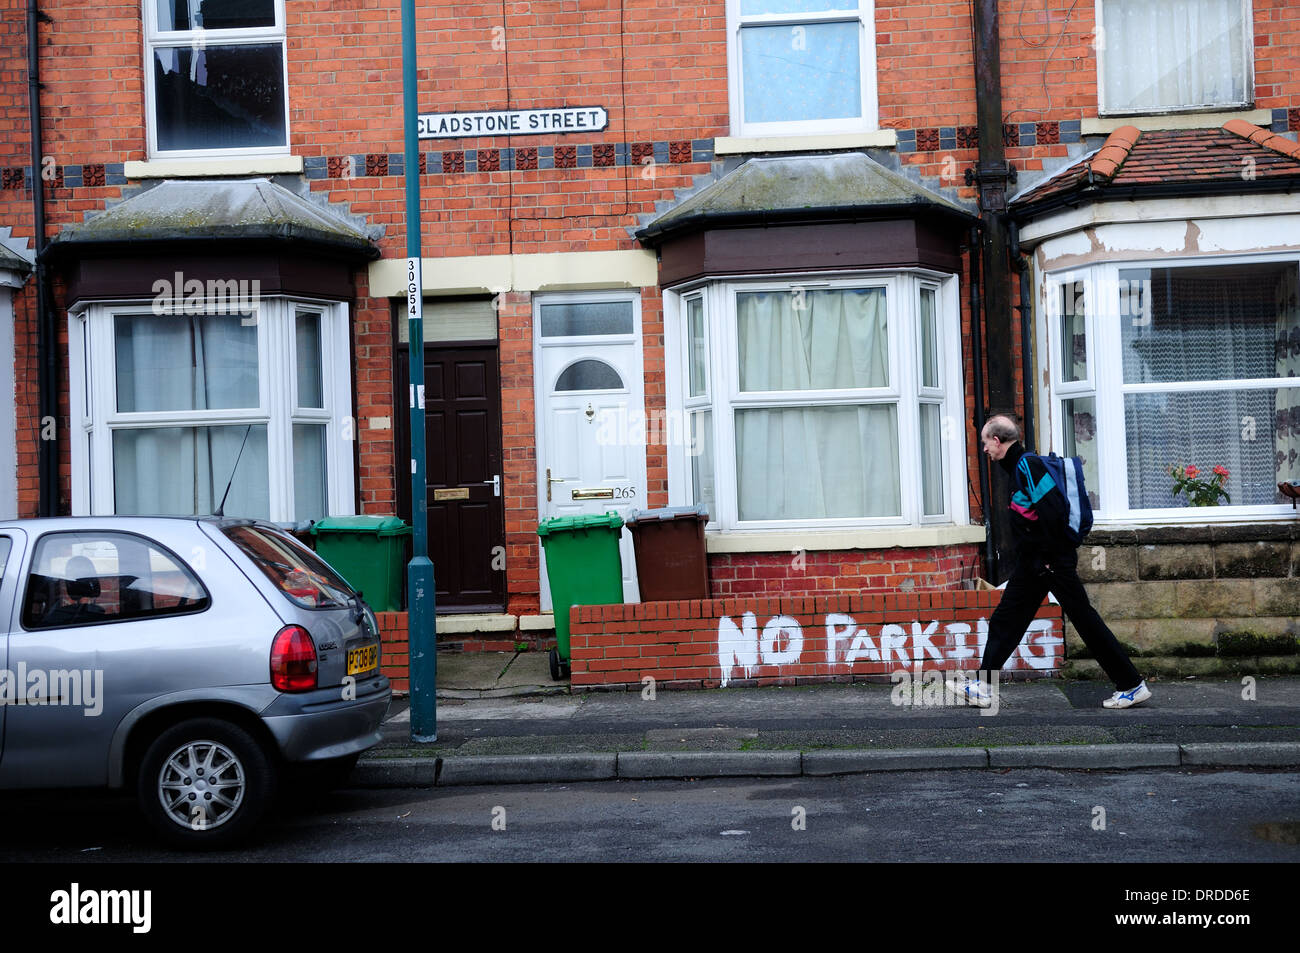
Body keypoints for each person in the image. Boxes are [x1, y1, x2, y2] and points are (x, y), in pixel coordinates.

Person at [947, 414, 1151, 709]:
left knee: (1085, 620)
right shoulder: (1018, 468)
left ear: (997, 440)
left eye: (985, 443)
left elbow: (1053, 512)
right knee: (1006, 619)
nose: (984, 450)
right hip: (1035, 564)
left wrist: (1046, 558)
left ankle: (1131, 684)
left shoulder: (1028, 466)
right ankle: (983, 684)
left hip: (1050, 562)